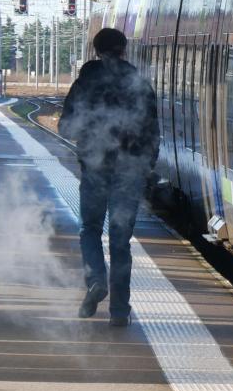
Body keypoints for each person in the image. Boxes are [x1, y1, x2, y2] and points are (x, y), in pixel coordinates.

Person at [59, 27, 160, 327]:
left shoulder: (85, 82)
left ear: (96, 50)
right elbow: (152, 132)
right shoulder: (139, 83)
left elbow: (67, 127)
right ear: (124, 49)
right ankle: (119, 311)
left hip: (94, 169)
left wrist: (88, 140)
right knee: (120, 241)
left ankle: (95, 280)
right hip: (129, 173)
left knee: (89, 229)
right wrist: (145, 167)